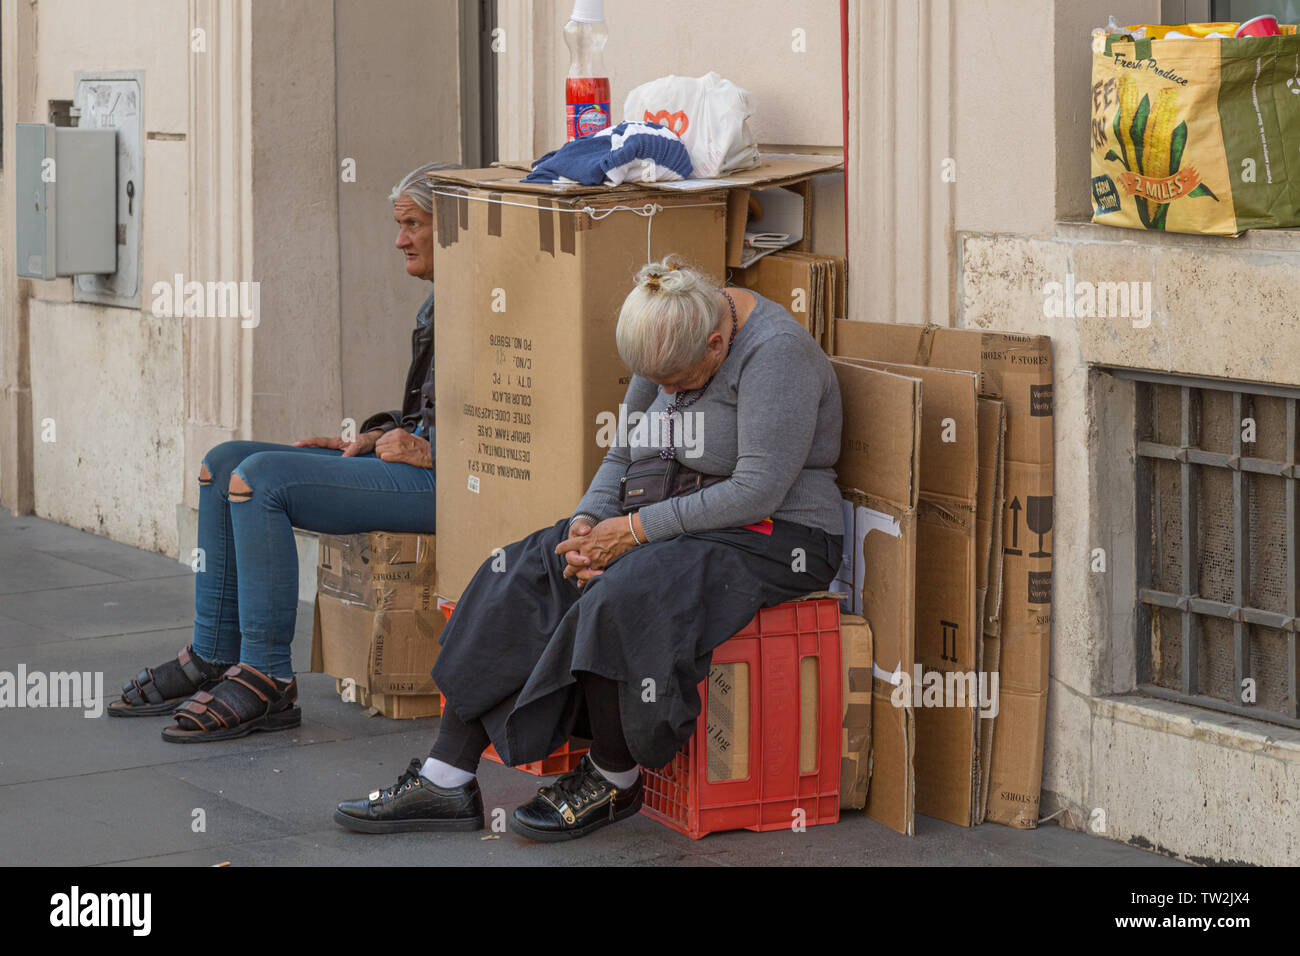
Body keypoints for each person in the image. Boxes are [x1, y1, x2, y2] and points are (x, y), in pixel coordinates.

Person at [333, 257, 845, 841]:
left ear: (716, 341)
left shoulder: (778, 354)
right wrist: (587, 522)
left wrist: (631, 533)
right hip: (671, 509)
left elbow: (756, 491)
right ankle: (446, 776)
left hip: (776, 534)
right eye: (661, 384)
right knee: (525, 568)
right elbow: (624, 457)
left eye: (680, 383)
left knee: (620, 593)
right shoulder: (667, 333)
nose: (669, 394)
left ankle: (614, 776)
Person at [108, 162, 459, 741]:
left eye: (412, 224)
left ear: (451, 228)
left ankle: (268, 680)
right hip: (416, 465)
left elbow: (509, 429)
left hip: (445, 485)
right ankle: (215, 654)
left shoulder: (486, 309)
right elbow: (432, 410)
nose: (399, 239)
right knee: (223, 463)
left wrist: (433, 451)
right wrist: (376, 434)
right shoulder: (435, 304)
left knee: (262, 480)